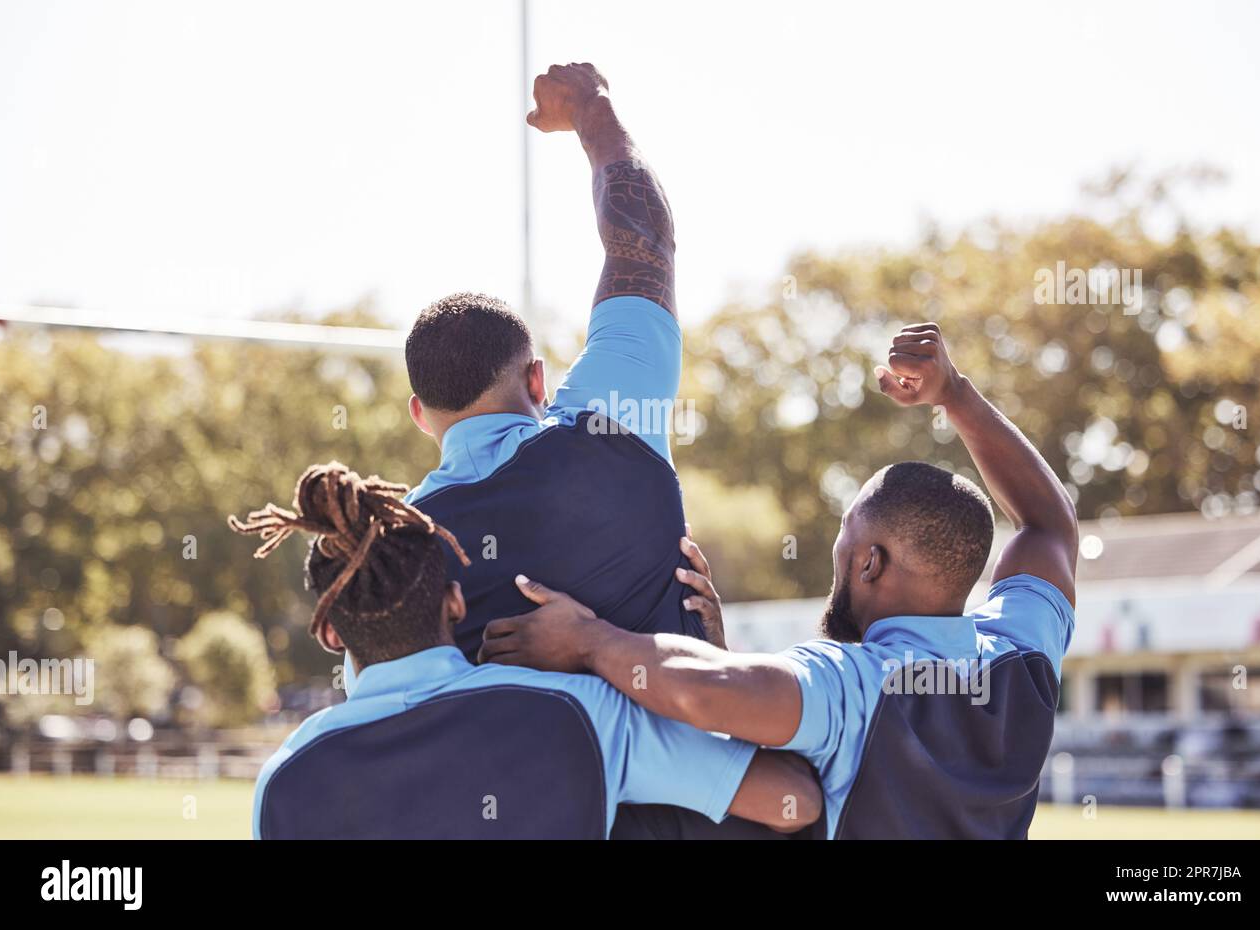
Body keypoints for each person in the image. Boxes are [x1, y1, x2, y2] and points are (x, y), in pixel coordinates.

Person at [479, 323, 1080, 839]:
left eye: (846, 533)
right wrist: (956, 396)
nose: (836, 551)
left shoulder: (854, 687)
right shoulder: (1024, 655)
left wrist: (586, 640)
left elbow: (707, 690)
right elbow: (1050, 526)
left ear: (870, 563)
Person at [398, 63, 788, 838]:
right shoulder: (613, 423)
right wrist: (592, 113)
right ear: (538, 379)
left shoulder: (399, 543)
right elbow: (644, 240)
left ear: (418, 414)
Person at [230, 462, 821, 840]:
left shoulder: (285, 780)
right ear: (455, 602)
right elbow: (793, 802)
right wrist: (682, 650)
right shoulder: (579, 712)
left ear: (330, 631)